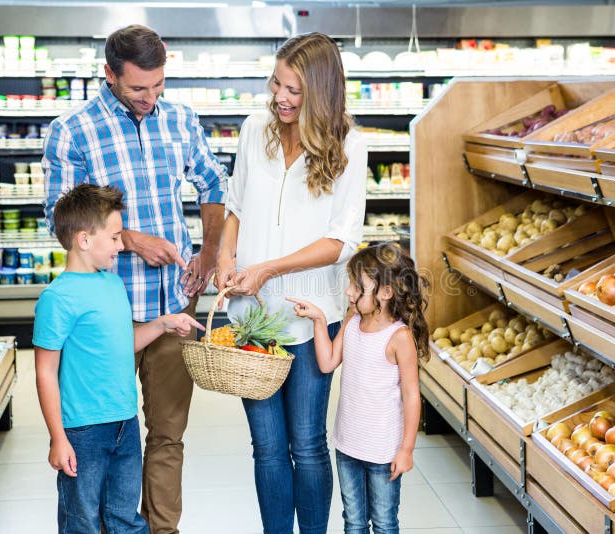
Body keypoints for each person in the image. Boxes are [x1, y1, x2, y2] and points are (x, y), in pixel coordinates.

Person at [42, 24, 228, 532]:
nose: (150, 99)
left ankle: (161, 529)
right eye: (137, 88)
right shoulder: (72, 131)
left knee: (168, 434)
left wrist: (209, 251)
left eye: (158, 86)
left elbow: (213, 181)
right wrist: (132, 239)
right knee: (101, 436)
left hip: (173, 303)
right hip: (104, 314)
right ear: (109, 75)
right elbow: (58, 217)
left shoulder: (182, 119)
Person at [216, 32, 367, 533]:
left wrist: (269, 268)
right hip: (251, 320)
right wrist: (225, 255)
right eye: (277, 83)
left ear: (321, 92)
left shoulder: (349, 145)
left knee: (306, 442)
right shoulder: (254, 127)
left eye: (295, 90)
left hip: (310, 317)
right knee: (267, 448)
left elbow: (340, 241)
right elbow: (234, 205)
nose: (281, 97)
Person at [33, 183, 201, 533]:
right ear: (83, 240)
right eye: (114, 238)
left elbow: (122, 344)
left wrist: (162, 324)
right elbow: (45, 372)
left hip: (125, 423)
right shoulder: (57, 298)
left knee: (125, 518)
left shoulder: (112, 284)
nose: (120, 245)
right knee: (83, 521)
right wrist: (57, 437)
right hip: (82, 431)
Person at [287, 243, 430, 534]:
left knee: (384, 523)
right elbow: (327, 363)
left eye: (358, 287)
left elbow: (412, 396)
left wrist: (407, 448)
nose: (349, 292)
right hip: (347, 444)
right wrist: (319, 321)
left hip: (383, 452)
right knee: (353, 522)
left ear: (386, 293)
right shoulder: (353, 320)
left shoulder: (398, 337)